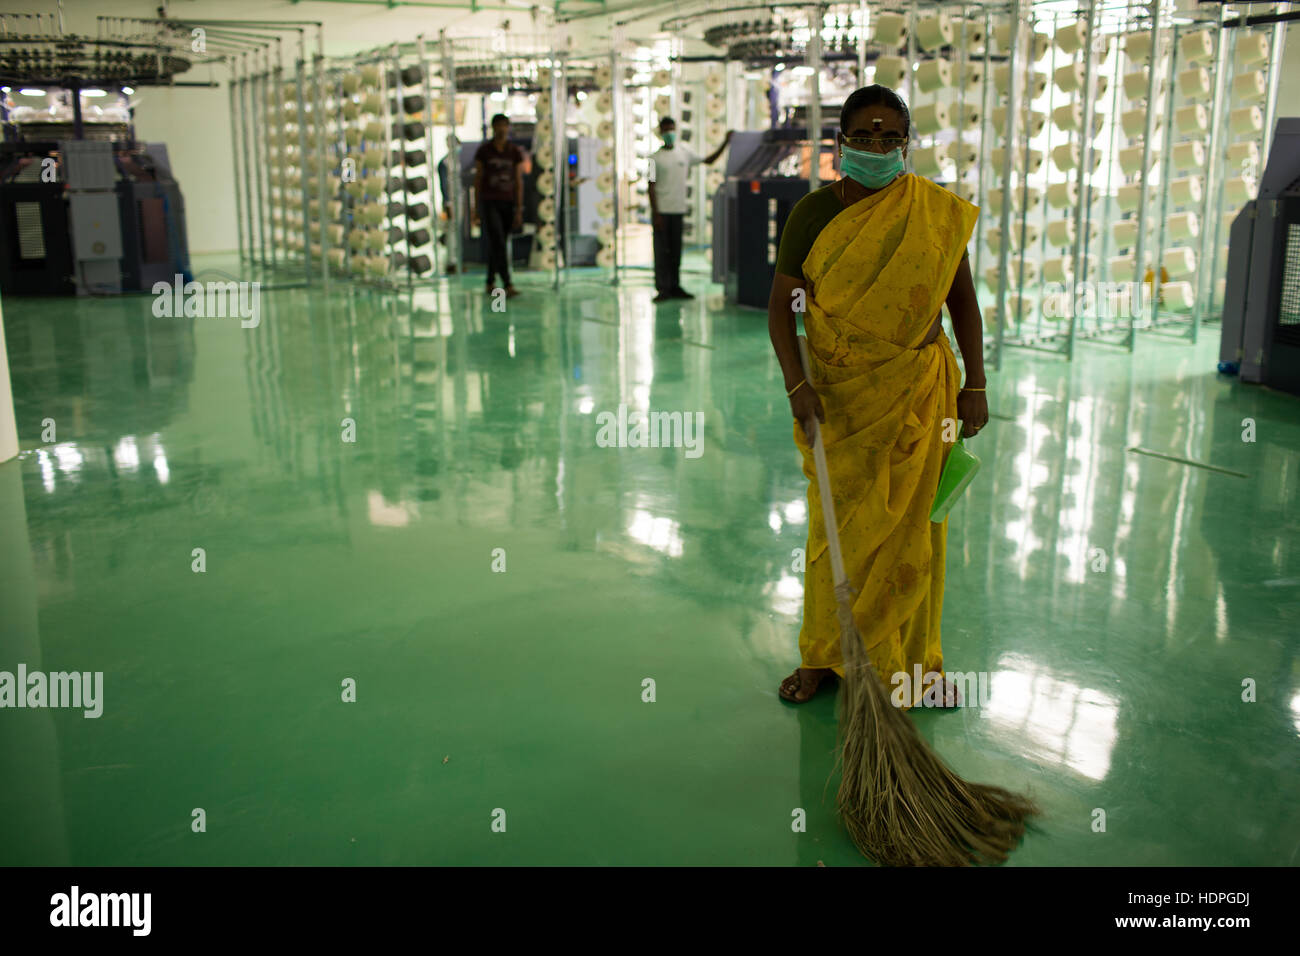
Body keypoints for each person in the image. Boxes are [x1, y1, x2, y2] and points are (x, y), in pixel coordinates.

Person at [768, 85, 989, 707]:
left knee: (916, 531)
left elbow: (962, 304)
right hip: (841, 398)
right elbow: (783, 313)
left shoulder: (934, 213)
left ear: (906, 143)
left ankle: (914, 661)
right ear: (842, 141)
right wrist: (798, 385)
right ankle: (821, 653)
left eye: (890, 136)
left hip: (921, 393)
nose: (877, 147)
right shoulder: (813, 214)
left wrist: (975, 383)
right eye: (863, 136)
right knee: (833, 526)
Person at [648, 117, 732, 303]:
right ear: (660, 132)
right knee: (662, 252)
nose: (670, 133)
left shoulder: (684, 153)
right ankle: (663, 288)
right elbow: (651, 186)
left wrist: (725, 142)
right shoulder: (654, 159)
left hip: (678, 210)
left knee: (676, 251)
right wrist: (655, 214)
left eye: (672, 129)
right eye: (666, 129)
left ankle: (675, 286)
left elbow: (708, 161)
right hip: (662, 212)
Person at [472, 113, 526, 297]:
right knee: (498, 240)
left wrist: (519, 209)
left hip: (508, 202)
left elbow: (519, 181)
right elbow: (478, 179)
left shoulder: (514, 152)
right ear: (493, 128)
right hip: (490, 202)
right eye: (499, 125)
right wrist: (476, 208)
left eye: (505, 125)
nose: (502, 129)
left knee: (499, 242)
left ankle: (490, 282)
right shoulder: (484, 151)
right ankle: (507, 284)